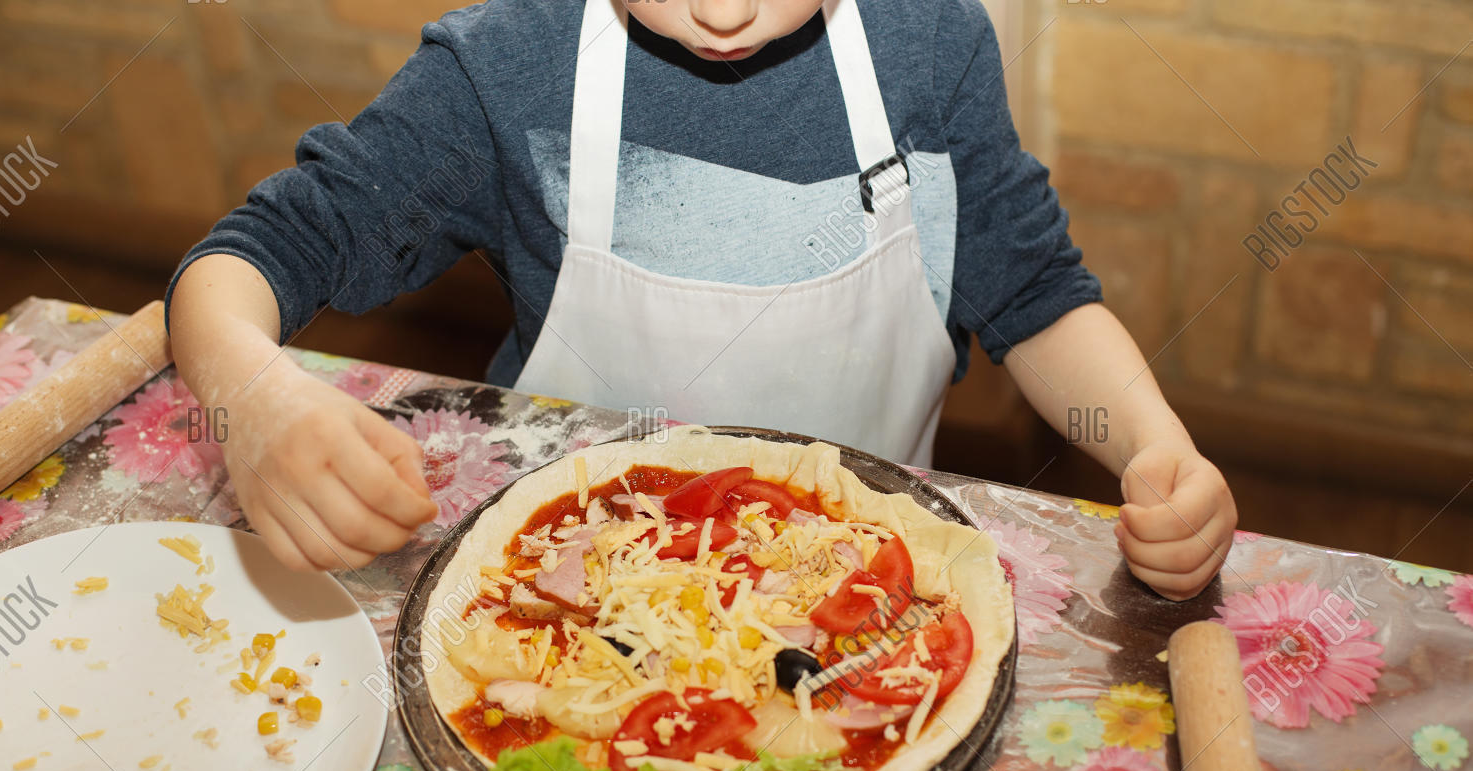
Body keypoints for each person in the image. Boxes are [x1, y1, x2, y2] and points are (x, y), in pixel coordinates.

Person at [167, 0, 1237, 600]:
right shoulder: (508, 68)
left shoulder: (932, 52)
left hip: (850, 593)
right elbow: (252, 257)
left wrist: (1148, 443)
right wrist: (251, 398)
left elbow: (1035, 301)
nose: (723, 10)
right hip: (568, 596)